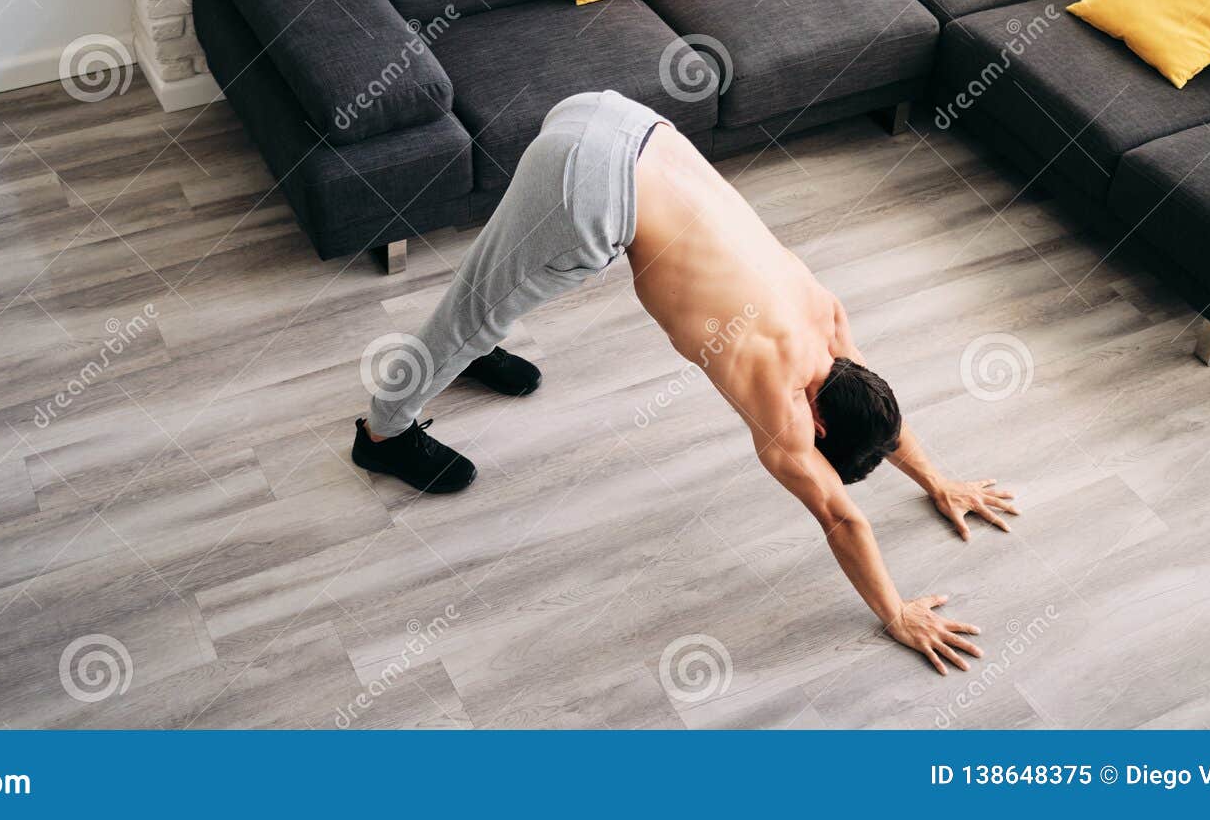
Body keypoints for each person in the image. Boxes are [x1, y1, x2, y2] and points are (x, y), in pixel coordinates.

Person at [353, 90, 1019, 674]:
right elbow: (841, 519)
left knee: (512, 277)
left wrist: (938, 479)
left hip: (622, 120)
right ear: (817, 423)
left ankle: (476, 345)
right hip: (588, 185)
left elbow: (882, 418)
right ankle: (384, 431)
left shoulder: (828, 320)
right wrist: (897, 612)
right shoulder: (782, 408)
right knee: (474, 302)